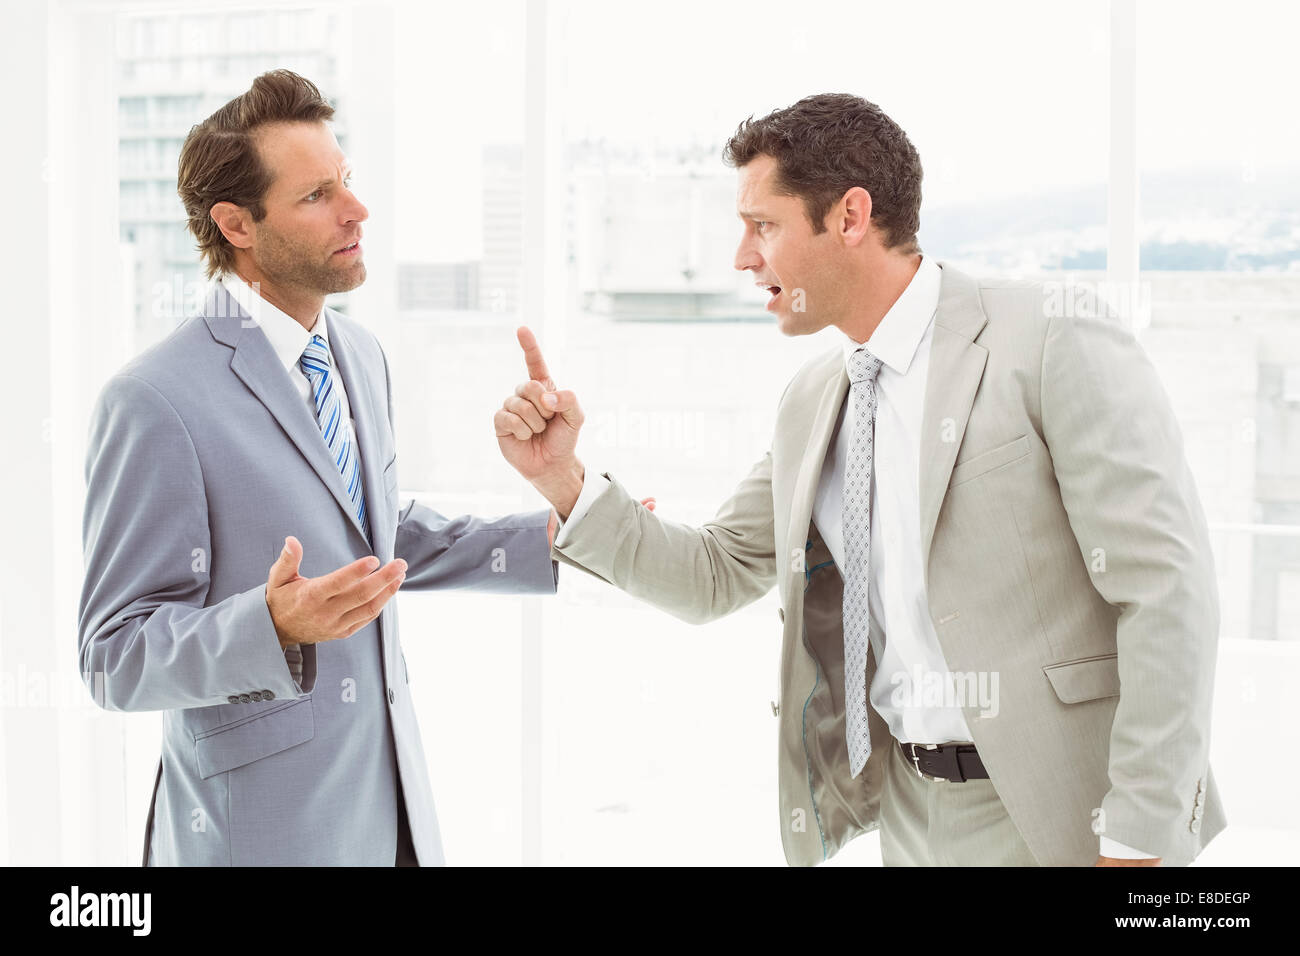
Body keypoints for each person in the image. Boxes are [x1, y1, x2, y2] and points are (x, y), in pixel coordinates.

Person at [494, 93, 1226, 866]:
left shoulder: (1048, 336)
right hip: (909, 816)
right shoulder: (813, 399)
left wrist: (1138, 837)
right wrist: (564, 480)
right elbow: (715, 573)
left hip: (1063, 815)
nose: (742, 257)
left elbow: (1165, 588)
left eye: (763, 225)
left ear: (849, 217)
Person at [78, 70, 558, 866]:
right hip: (258, 839)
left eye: (347, 181)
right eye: (316, 196)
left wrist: (557, 537)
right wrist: (269, 627)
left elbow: (374, 536)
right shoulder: (154, 400)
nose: (356, 209)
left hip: (391, 813)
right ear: (236, 223)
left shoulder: (358, 355)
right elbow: (113, 658)